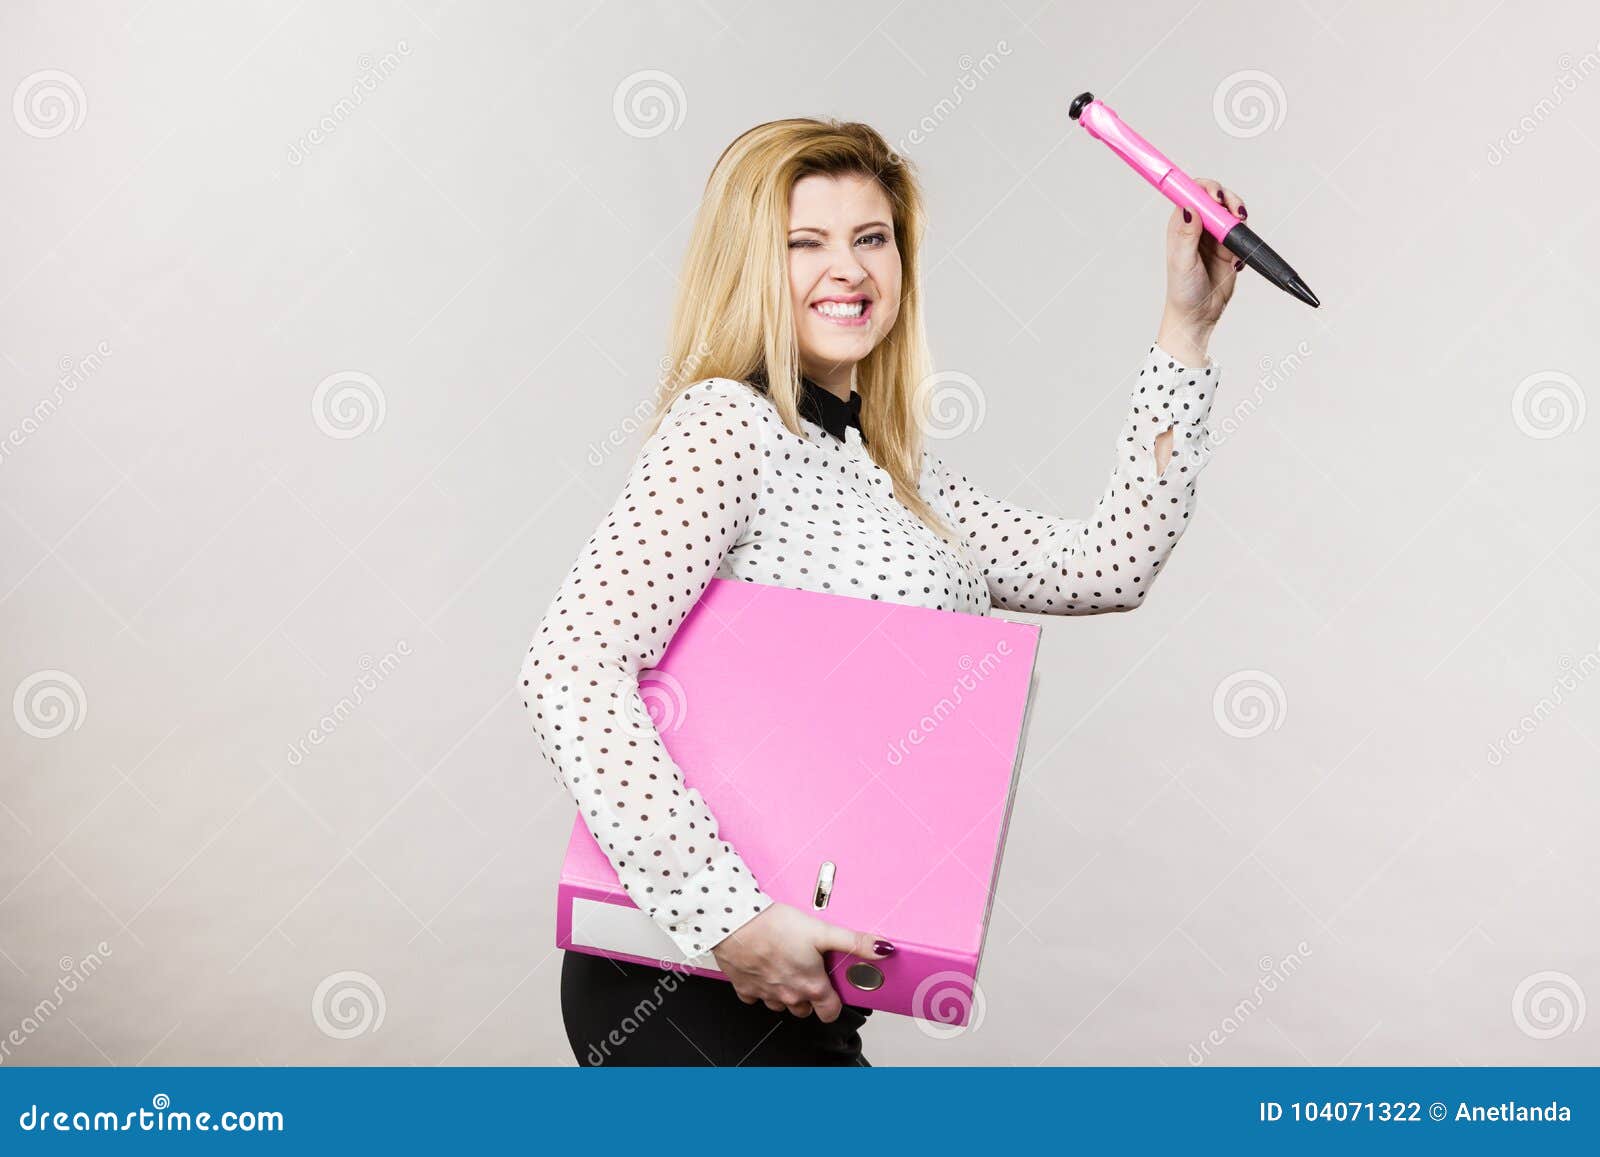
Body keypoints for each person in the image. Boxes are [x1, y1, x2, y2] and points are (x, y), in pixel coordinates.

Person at [519, 117, 1242, 1065]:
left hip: (809, 986)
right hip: (687, 981)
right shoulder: (728, 426)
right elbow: (569, 668)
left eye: (871, 238)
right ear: (749, 266)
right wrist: (727, 918)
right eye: (804, 242)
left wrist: (1184, 328)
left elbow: (1110, 563)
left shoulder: (902, 479)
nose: (848, 268)